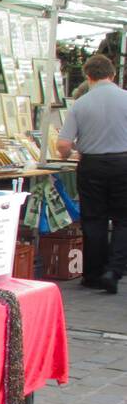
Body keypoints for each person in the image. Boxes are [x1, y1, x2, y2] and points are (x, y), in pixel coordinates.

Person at [56, 53, 127, 294]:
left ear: (88, 76)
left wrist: (72, 151)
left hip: (92, 165)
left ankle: (93, 273)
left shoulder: (80, 104)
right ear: (113, 74)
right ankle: (115, 270)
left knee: (94, 219)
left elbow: (63, 144)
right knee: (123, 220)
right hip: (123, 164)